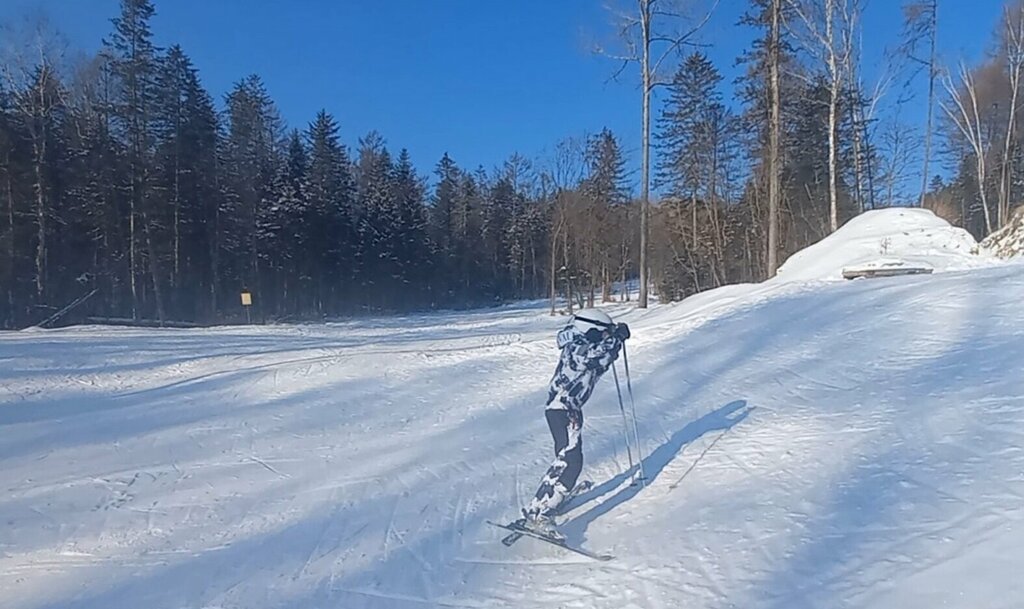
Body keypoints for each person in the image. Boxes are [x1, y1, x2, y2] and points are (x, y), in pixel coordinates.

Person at [519, 308, 630, 540]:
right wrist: (615, 340)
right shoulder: (576, 348)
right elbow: (594, 357)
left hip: (568, 410)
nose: (605, 337)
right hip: (562, 410)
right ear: (591, 329)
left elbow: (602, 360)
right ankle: (539, 512)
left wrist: (615, 342)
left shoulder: (584, 345)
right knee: (568, 461)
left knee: (569, 460)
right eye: (603, 332)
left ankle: (551, 500)